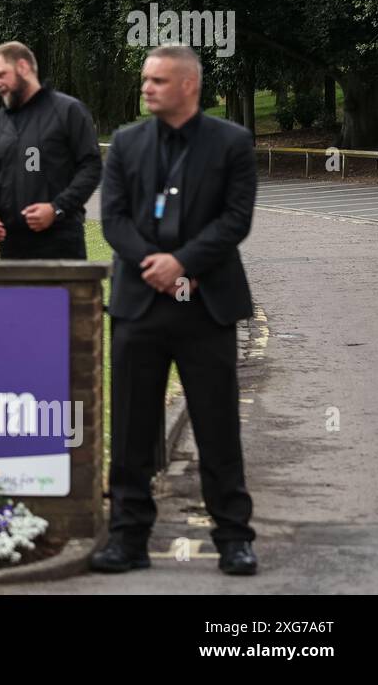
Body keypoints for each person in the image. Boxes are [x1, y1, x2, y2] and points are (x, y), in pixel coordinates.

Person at [93, 44, 258, 577]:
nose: (146, 88)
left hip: (206, 305)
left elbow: (235, 220)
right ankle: (127, 537)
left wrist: (183, 262)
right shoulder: (125, 143)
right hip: (140, 304)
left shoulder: (231, 142)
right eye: (145, 79)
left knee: (216, 425)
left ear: (189, 85)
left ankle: (233, 537)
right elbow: (112, 220)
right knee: (133, 426)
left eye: (158, 81)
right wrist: (153, 264)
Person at [0, 41, 103, 259]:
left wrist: (56, 208)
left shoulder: (68, 111)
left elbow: (91, 167)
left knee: (59, 295)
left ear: (23, 67)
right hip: (12, 248)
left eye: (0, 75)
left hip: (60, 245)